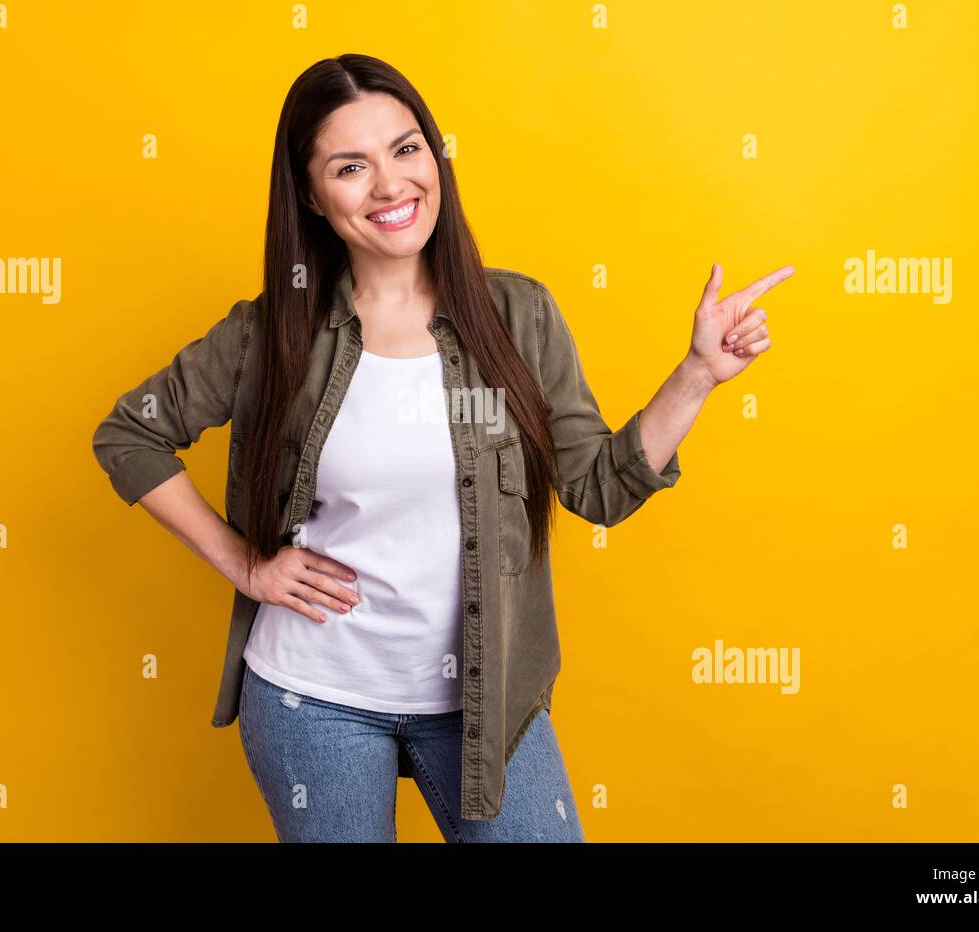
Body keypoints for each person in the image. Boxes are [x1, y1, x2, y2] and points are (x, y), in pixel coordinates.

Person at [92, 53, 794, 842]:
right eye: (350, 167)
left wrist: (698, 373)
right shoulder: (273, 331)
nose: (391, 186)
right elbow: (129, 433)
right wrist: (245, 564)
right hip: (311, 698)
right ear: (312, 197)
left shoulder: (517, 316)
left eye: (406, 148)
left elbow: (599, 489)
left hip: (486, 703)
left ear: (434, 155)